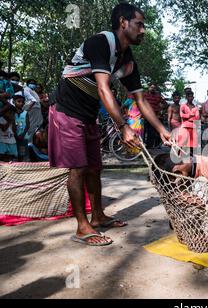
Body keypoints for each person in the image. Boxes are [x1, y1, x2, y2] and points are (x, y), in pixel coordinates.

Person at [49, 3, 171, 247]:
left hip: (88, 115)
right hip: (66, 111)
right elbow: (104, 88)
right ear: (123, 22)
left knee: (95, 167)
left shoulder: (127, 60)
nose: (144, 30)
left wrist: (161, 129)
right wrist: (124, 127)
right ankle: (82, 227)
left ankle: (98, 216)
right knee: (78, 169)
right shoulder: (100, 43)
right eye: (140, 24)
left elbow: (140, 99)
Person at [153, 153, 208, 220]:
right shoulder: (191, 166)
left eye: (174, 178)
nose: (177, 181)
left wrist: (193, 201)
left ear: (177, 171)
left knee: (200, 183)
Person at [144, 83, 165, 148]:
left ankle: (149, 146)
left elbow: (165, 104)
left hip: (154, 117)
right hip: (144, 115)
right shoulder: (144, 95)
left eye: (154, 88)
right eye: (151, 87)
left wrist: (161, 111)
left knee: (151, 132)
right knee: (143, 131)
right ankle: (142, 145)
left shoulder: (158, 96)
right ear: (148, 87)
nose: (152, 89)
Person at [13, 93, 30, 162]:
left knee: (21, 153)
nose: (21, 103)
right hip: (14, 137)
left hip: (23, 137)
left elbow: (28, 125)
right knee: (13, 153)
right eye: (19, 101)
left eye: (23, 102)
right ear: (14, 102)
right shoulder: (12, 112)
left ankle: (19, 165)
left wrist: (23, 134)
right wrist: (15, 135)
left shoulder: (25, 113)